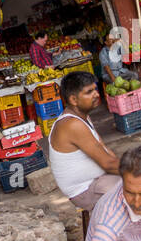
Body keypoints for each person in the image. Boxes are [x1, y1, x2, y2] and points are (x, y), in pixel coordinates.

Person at [47, 71, 120, 210]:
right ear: (74, 100)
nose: (97, 94)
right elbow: (108, 164)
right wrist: (138, 172)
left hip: (98, 182)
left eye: (95, 89)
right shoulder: (72, 124)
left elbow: (104, 150)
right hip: (87, 191)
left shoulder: (82, 117)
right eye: (89, 92)